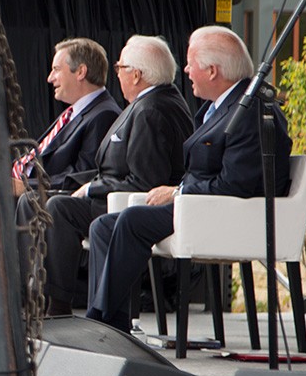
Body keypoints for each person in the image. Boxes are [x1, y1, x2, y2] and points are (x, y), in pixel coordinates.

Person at [83, 26, 291, 332]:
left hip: (224, 213)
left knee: (131, 221)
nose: (185, 70)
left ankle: (99, 323)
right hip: (200, 206)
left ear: (212, 70)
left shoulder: (249, 111)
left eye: (191, 63)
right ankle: (112, 324)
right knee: (103, 225)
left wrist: (179, 190)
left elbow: (235, 185)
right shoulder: (219, 107)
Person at [27, 35, 194, 315]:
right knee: (49, 200)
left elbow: (144, 181)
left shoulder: (150, 110)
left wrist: (92, 188)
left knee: (59, 207)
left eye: (120, 67)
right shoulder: (151, 102)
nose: (116, 74)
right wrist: (87, 184)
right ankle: (40, 296)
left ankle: (57, 303)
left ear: (137, 75)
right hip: (118, 196)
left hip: (133, 202)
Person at [0, 38, 120, 296]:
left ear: (80, 72)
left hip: (51, 199)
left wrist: (25, 186)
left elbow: (83, 176)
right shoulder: (74, 113)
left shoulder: (103, 115)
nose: (49, 78)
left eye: (56, 69)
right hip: (30, 191)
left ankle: (10, 297)